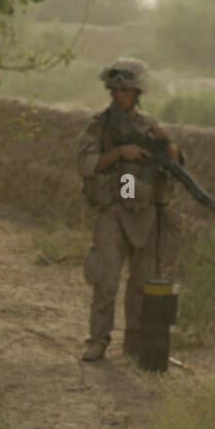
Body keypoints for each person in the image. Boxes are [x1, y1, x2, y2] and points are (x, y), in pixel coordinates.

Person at [77, 59, 182, 362]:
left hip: (146, 213)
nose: (117, 94)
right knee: (105, 280)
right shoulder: (100, 126)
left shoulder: (149, 126)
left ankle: (134, 344)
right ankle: (98, 340)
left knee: (142, 283)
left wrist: (169, 144)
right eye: (114, 89)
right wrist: (120, 154)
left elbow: (173, 164)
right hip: (113, 211)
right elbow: (86, 164)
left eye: (124, 89)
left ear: (137, 91)